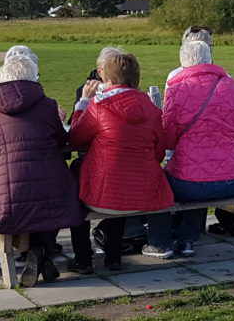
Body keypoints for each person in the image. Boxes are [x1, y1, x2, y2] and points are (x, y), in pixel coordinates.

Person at [0, 53, 79, 286]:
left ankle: (36, 254)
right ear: (34, 78)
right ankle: (40, 253)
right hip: (53, 189)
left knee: (2, 205)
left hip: (9, 191)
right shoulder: (48, 105)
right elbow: (61, 141)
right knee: (46, 203)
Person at [145, 38, 234, 258]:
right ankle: (187, 240)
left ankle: (160, 243)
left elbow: (168, 139)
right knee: (198, 173)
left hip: (192, 184)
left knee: (159, 182)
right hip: (233, 181)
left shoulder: (177, 90)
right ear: (209, 59)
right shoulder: (233, 86)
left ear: (183, 62)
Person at [67, 48, 173, 271]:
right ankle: (113, 257)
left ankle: (83, 259)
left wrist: (82, 104)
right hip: (143, 195)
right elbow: (159, 153)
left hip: (105, 196)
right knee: (120, 177)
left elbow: (75, 139)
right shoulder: (152, 109)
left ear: (105, 76)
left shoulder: (98, 107)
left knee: (76, 186)